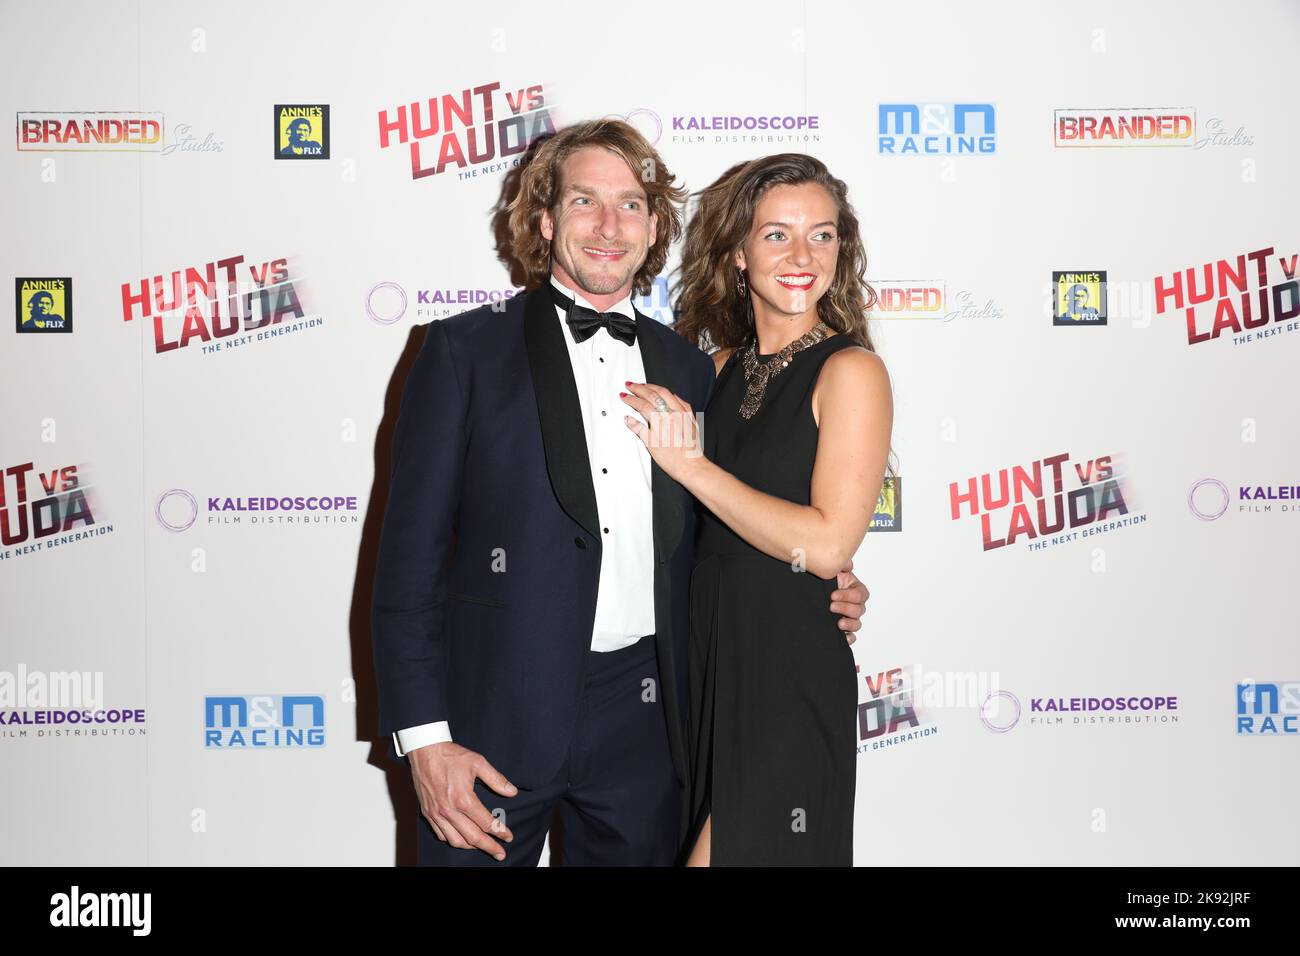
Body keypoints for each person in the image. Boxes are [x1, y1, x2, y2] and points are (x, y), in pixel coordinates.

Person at [370, 120, 871, 866]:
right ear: (544, 220)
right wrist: (426, 740)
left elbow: (739, 518)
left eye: (631, 205)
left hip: (651, 723)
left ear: (656, 226)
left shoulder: (694, 369)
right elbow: (405, 567)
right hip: (490, 724)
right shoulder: (462, 352)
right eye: (584, 202)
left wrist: (825, 576)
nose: (609, 227)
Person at [622, 153, 895, 865]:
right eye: (777, 235)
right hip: (705, 664)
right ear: (739, 253)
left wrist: (691, 464)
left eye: (823, 234)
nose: (803, 255)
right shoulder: (711, 372)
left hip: (788, 674)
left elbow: (830, 544)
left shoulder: (851, 371)